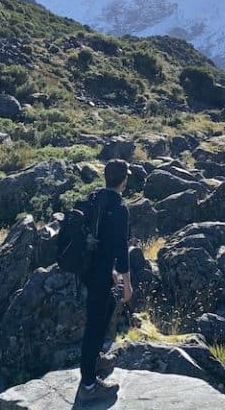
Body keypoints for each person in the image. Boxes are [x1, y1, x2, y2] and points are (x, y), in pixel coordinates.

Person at [77, 159, 133, 403]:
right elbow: (121, 248)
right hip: (99, 272)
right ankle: (88, 385)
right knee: (96, 324)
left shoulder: (94, 197)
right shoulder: (119, 207)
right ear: (124, 180)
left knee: (106, 308)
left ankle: (96, 357)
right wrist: (127, 283)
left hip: (89, 269)